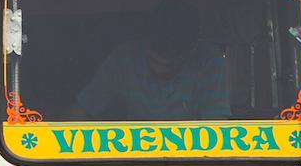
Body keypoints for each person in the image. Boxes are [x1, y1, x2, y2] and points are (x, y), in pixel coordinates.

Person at [73, 8, 230, 122]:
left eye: (169, 66)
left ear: (191, 50)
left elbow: (216, 127)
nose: (159, 70)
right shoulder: (125, 57)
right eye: (154, 61)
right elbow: (84, 108)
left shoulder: (210, 61)